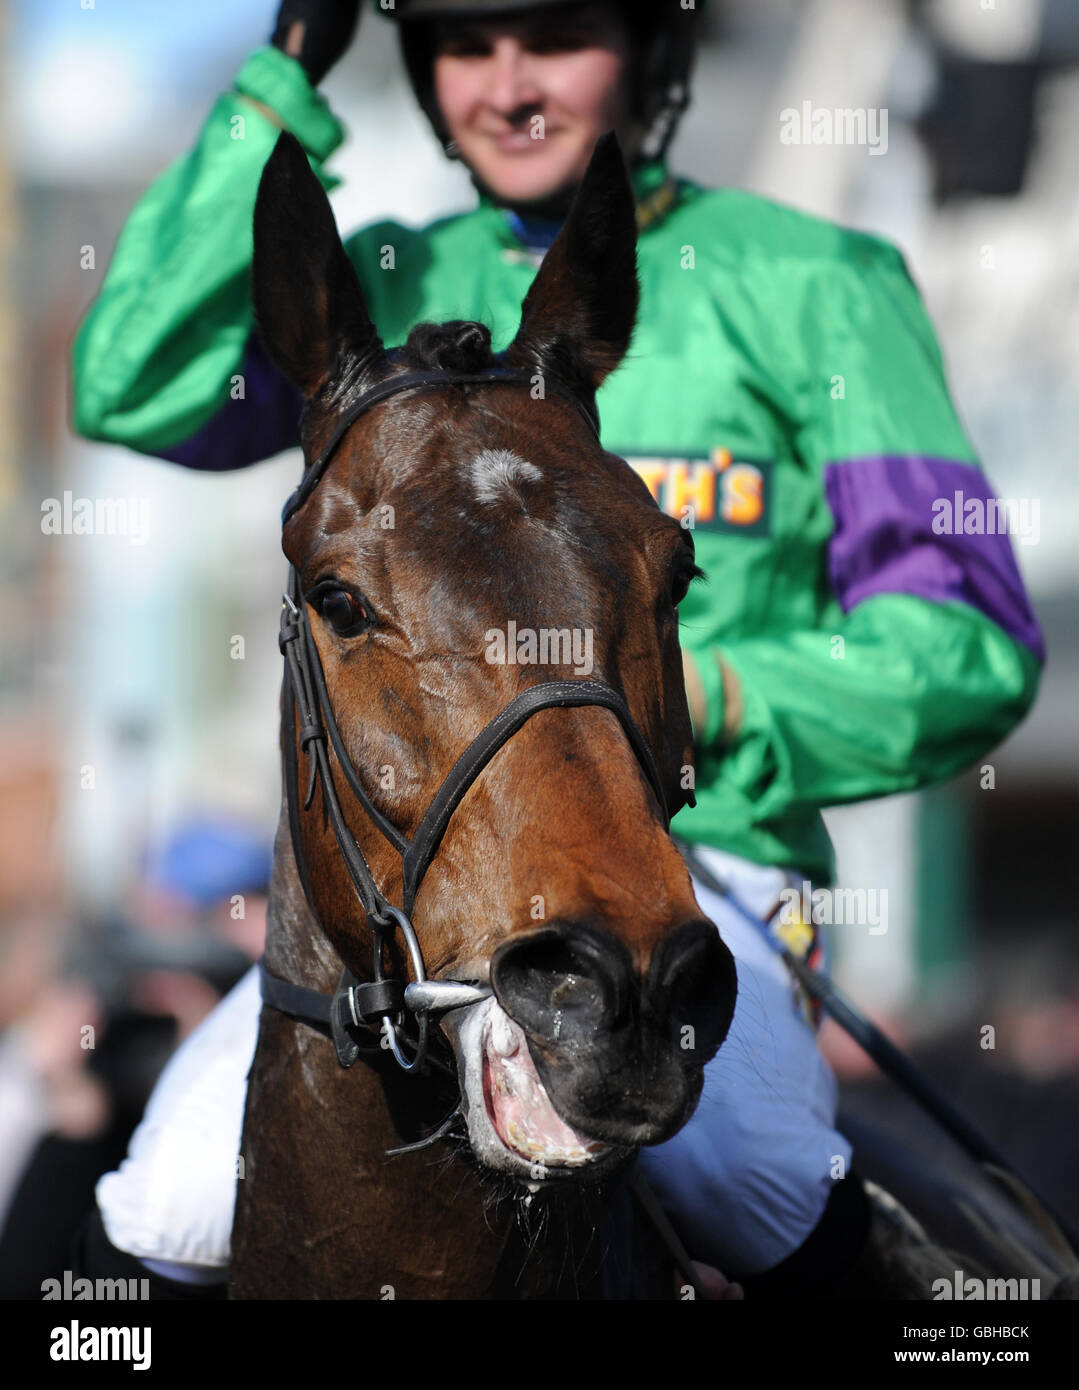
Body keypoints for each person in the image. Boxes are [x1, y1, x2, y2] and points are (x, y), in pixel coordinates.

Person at [69, 0, 1044, 1297]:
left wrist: (694, 690)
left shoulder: (822, 286)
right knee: (165, 1202)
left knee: (743, 1166)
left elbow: (969, 640)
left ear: (647, 51)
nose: (509, 84)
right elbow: (131, 379)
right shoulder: (383, 280)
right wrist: (283, 72)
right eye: (467, 46)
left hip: (708, 873)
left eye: (557, 36)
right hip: (406, 896)